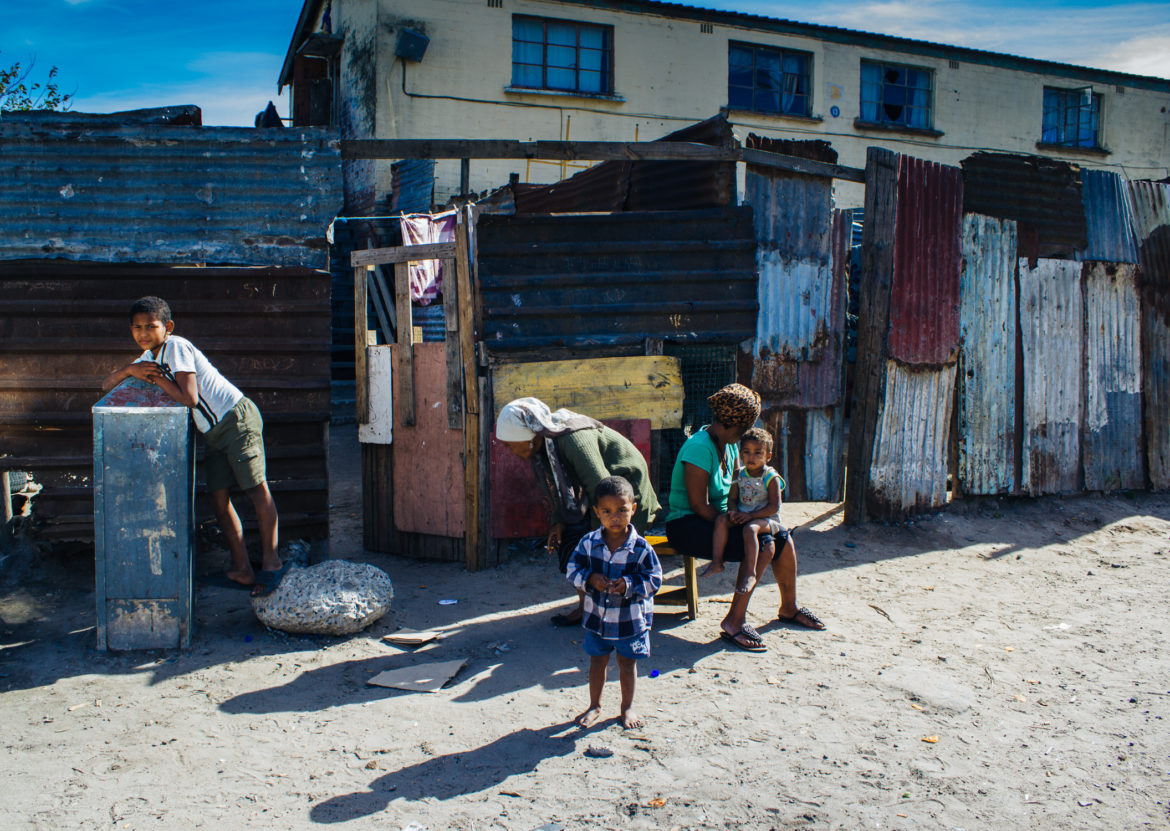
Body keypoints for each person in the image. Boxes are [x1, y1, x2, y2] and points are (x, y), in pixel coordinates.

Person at [101, 296, 287, 597]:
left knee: (256, 489)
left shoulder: (176, 346)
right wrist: (129, 371)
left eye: (151, 326)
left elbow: (189, 398)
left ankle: (272, 563)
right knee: (218, 497)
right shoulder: (149, 357)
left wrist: (159, 381)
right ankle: (241, 569)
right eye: (136, 327)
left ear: (168, 327)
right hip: (212, 433)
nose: (143, 333)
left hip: (235, 419)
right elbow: (105, 385)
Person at [664, 383, 823, 653]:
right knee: (764, 544)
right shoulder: (700, 448)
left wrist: (747, 515)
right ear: (734, 426)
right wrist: (737, 521)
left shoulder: (727, 445)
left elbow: (736, 491)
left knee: (780, 535)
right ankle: (734, 622)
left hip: (718, 521)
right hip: (687, 524)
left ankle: (789, 607)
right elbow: (699, 506)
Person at [495, 397, 660, 626]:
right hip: (600, 503)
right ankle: (588, 605)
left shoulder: (572, 438)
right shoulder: (545, 446)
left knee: (585, 543)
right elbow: (559, 492)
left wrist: (595, 539)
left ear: (528, 437)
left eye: (509, 444)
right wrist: (558, 522)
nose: (509, 450)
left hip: (625, 505)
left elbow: (601, 487)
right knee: (567, 539)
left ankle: (610, 607)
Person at [565, 476, 662, 729]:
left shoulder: (641, 548)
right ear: (597, 513)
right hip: (597, 618)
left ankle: (627, 707)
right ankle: (594, 705)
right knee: (597, 662)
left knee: (627, 664)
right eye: (607, 512)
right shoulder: (588, 543)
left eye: (622, 510)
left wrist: (629, 585)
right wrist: (590, 579)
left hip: (629, 621)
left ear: (633, 509)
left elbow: (654, 580)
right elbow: (572, 571)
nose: (615, 517)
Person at [705, 426, 785, 596]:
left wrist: (751, 516)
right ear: (741, 453)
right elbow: (732, 499)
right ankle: (717, 562)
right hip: (743, 515)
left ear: (768, 456)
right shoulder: (739, 474)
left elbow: (774, 506)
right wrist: (733, 512)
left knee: (751, 529)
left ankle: (750, 573)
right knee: (721, 520)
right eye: (747, 452)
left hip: (766, 519)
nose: (751, 457)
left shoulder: (771, 477)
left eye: (758, 453)